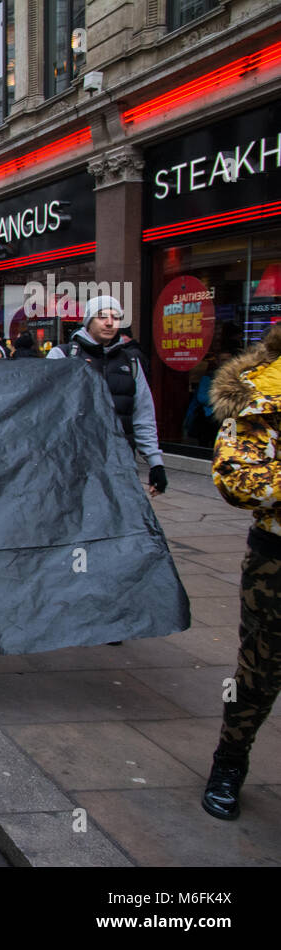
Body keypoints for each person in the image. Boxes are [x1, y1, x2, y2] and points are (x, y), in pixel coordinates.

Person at [193, 321, 281, 820]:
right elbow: (238, 480)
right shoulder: (262, 392)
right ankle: (230, 760)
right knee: (260, 674)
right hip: (276, 561)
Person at [47, 295, 167, 498]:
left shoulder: (131, 362)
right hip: (72, 466)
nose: (110, 322)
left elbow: (143, 414)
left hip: (120, 463)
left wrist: (156, 463)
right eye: (102, 316)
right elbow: (45, 412)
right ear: (88, 320)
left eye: (115, 317)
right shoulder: (63, 356)